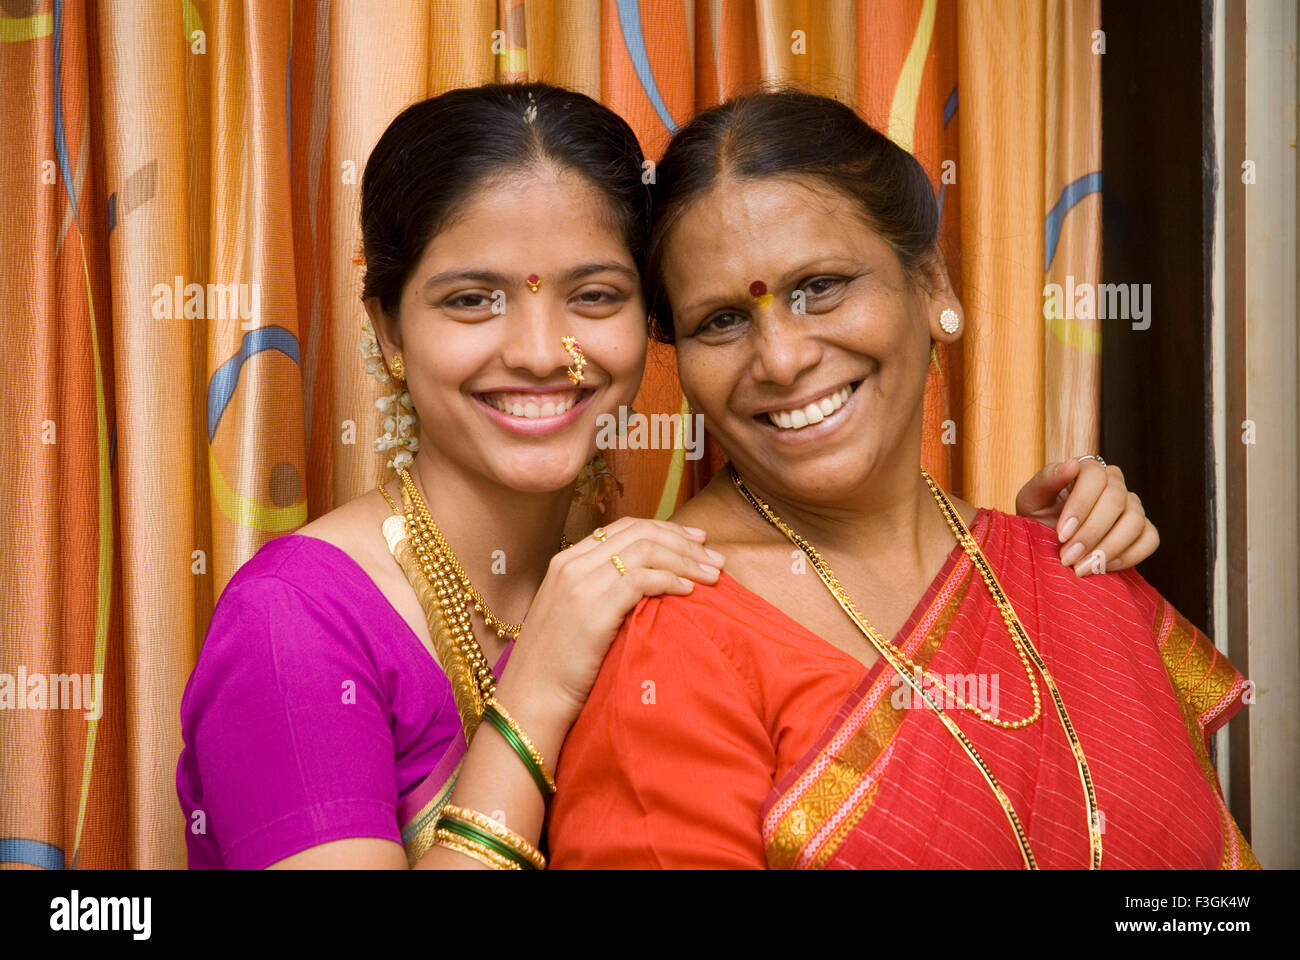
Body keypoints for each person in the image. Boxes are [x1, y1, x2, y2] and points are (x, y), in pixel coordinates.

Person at [177, 83, 1163, 870]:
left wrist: (1032, 566)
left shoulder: (646, 569)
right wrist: (534, 701)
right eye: (470, 300)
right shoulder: (294, 626)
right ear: (388, 331)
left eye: (594, 295)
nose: (538, 350)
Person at [547, 90, 1254, 870]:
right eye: (722, 320)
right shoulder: (676, 637)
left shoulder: (1078, 571)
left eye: (820, 286)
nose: (781, 359)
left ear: (932, 287)